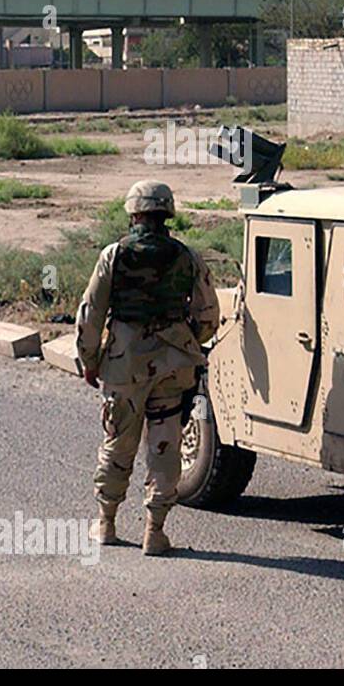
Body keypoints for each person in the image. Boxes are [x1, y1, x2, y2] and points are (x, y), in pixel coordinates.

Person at [76, 180, 220, 556]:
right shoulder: (187, 256)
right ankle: (154, 531)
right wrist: (186, 337)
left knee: (118, 442)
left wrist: (90, 361)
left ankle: (106, 523)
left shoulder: (114, 255)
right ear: (167, 213)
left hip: (124, 364)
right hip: (173, 364)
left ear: (134, 213)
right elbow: (208, 315)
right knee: (165, 445)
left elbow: (91, 314)